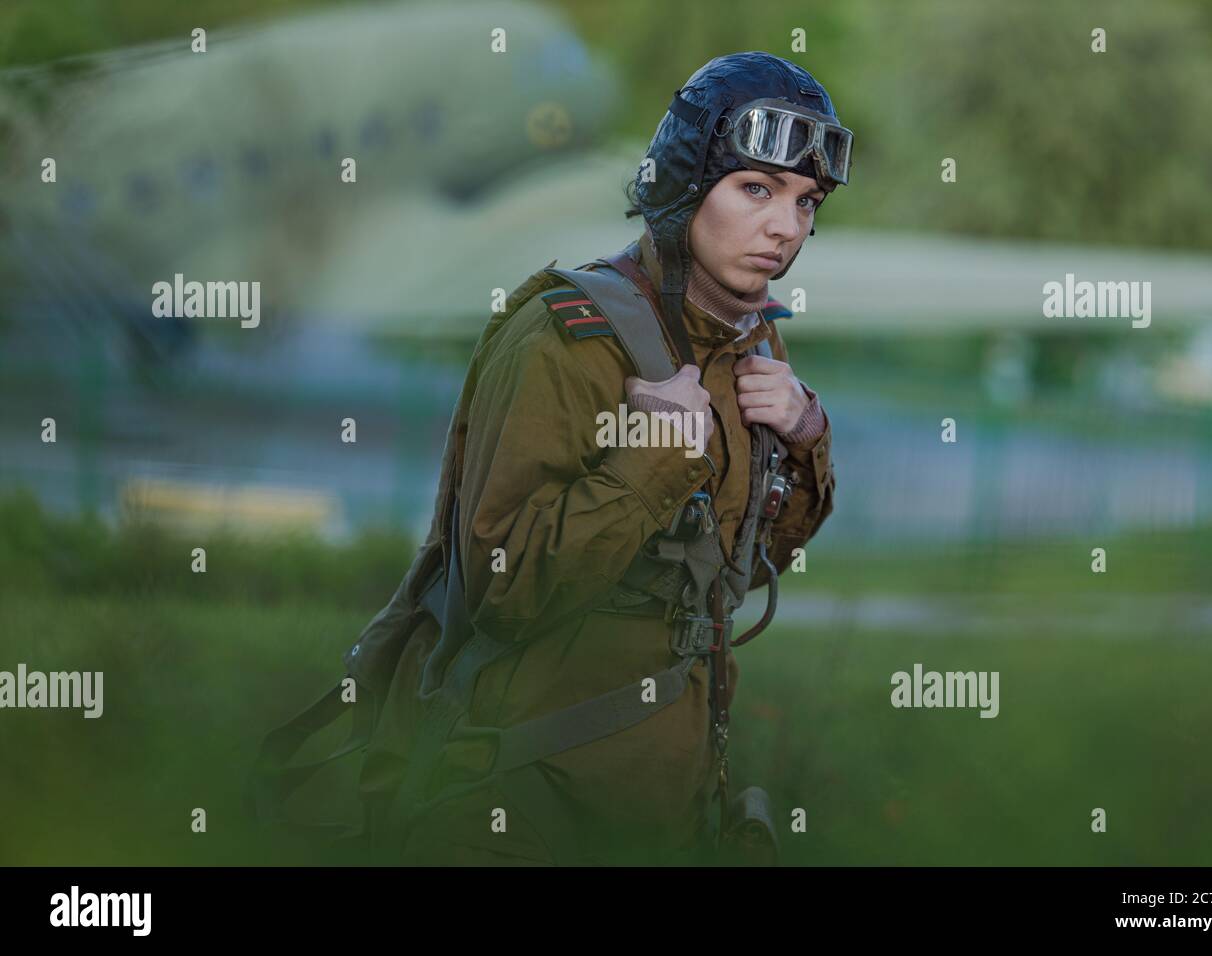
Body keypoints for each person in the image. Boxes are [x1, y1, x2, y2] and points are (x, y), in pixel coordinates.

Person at [294, 51, 853, 866]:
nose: (786, 227)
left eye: (807, 203)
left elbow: (743, 565)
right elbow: (501, 588)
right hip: (522, 803)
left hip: (664, 804)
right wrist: (655, 457)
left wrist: (805, 439)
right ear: (686, 184)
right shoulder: (564, 339)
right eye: (756, 189)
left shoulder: (748, 342)